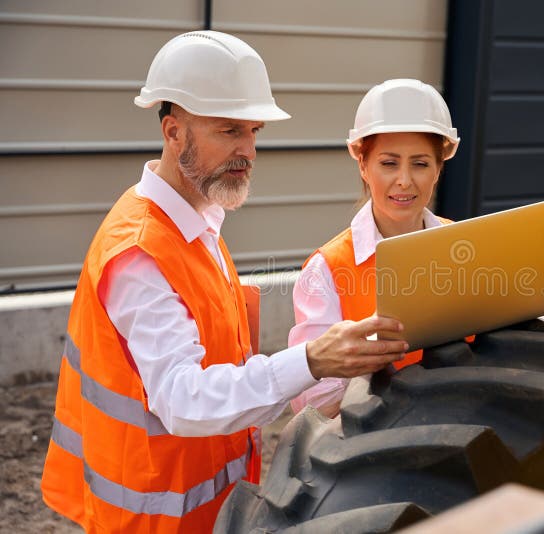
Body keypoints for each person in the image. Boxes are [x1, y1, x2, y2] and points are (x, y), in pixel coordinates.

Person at [40, 31, 408, 533]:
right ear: (174, 133)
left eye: (253, 130)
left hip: (205, 508)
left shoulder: (196, 223)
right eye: (229, 130)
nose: (249, 150)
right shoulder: (138, 252)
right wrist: (310, 360)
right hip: (153, 519)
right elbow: (183, 399)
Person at [289, 79, 459, 417]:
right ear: (363, 165)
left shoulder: (467, 246)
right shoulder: (327, 269)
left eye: (421, 164)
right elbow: (310, 404)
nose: (404, 180)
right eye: (389, 163)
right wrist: (363, 361)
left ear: (439, 168)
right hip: (373, 454)